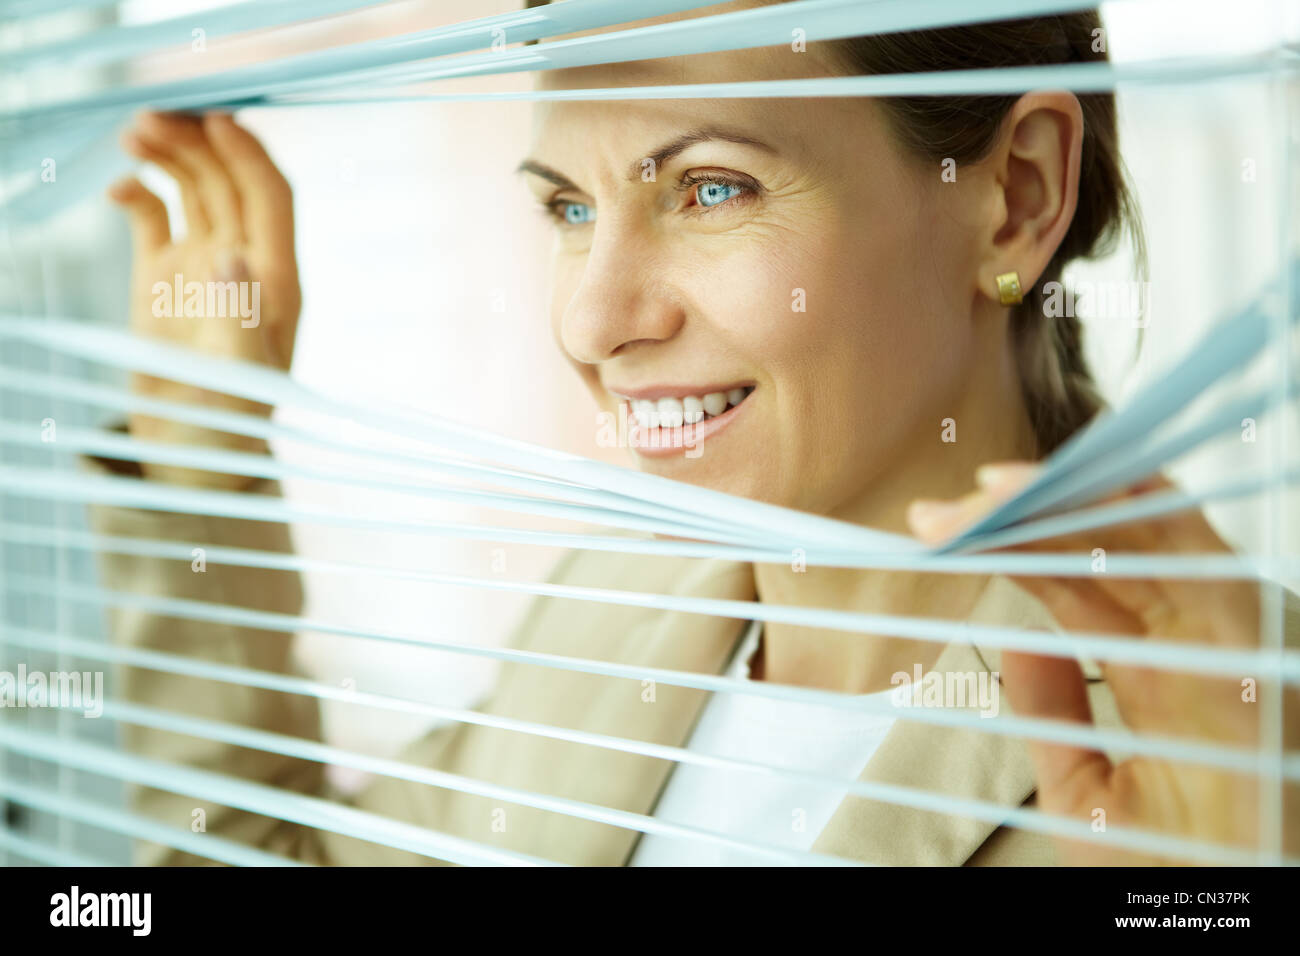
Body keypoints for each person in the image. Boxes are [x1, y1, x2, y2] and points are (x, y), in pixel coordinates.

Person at [95, 1, 1297, 865]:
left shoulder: (1234, 754)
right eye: (568, 207)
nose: (593, 319)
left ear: (1016, 195)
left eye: (711, 187)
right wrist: (205, 450)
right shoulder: (617, 607)